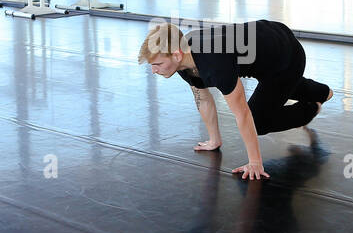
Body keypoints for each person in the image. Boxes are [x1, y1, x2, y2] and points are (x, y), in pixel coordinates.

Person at [138, 19, 333, 181]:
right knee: (279, 89)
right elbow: (203, 99)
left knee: (259, 120)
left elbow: (242, 113)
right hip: (266, 48)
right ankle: (322, 92)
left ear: (177, 55)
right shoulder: (183, 61)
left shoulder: (214, 64)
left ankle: (312, 107)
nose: (154, 71)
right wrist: (214, 139)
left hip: (286, 55)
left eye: (157, 64)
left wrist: (255, 162)